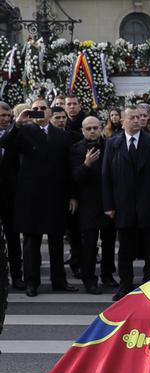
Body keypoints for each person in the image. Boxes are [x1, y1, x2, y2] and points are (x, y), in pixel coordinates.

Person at [1, 97, 78, 296]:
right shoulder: (23, 132)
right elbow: (6, 145)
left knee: (56, 240)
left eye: (43, 108)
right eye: (35, 109)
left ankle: (59, 280)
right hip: (30, 196)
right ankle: (31, 282)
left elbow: (68, 167)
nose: (39, 111)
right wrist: (18, 123)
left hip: (55, 196)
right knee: (31, 242)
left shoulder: (61, 135)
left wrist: (71, 195)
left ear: (50, 112)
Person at [101, 105, 150, 301]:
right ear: (122, 120)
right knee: (125, 249)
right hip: (123, 205)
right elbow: (106, 176)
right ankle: (125, 285)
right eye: (132, 117)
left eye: (140, 117)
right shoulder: (113, 143)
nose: (137, 120)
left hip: (149, 204)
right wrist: (108, 205)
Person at [69, 116, 116, 294]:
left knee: (109, 240)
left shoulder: (110, 145)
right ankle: (89, 278)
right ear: (82, 130)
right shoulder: (76, 149)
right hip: (88, 202)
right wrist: (86, 164)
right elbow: (74, 176)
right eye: (88, 128)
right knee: (88, 243)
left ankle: (107, 274)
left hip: (108, 200)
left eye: (95, 128)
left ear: (101, 128)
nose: (92, 131)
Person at [0, 101, 24, 290]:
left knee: (13, 239)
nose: (6, 119)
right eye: (2, 116)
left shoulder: (15, 134)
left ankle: (17, 276)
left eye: (8, 116)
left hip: (11, 196)